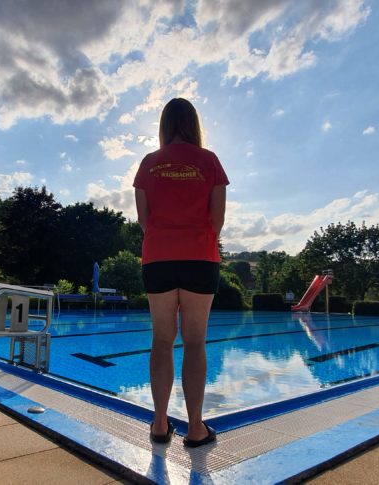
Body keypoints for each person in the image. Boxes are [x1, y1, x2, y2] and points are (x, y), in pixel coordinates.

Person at [133, 97, 228, 448]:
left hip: (157, 256)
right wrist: (194, 242)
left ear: (163, 125)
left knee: (161, 340)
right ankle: (194, 428)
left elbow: (144, 219)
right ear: (193, 124)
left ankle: (159, 424)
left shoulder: (148, 163)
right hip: (199, 257)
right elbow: (217, 219)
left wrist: (165, 241)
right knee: (194, 341)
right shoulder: (210, 161)